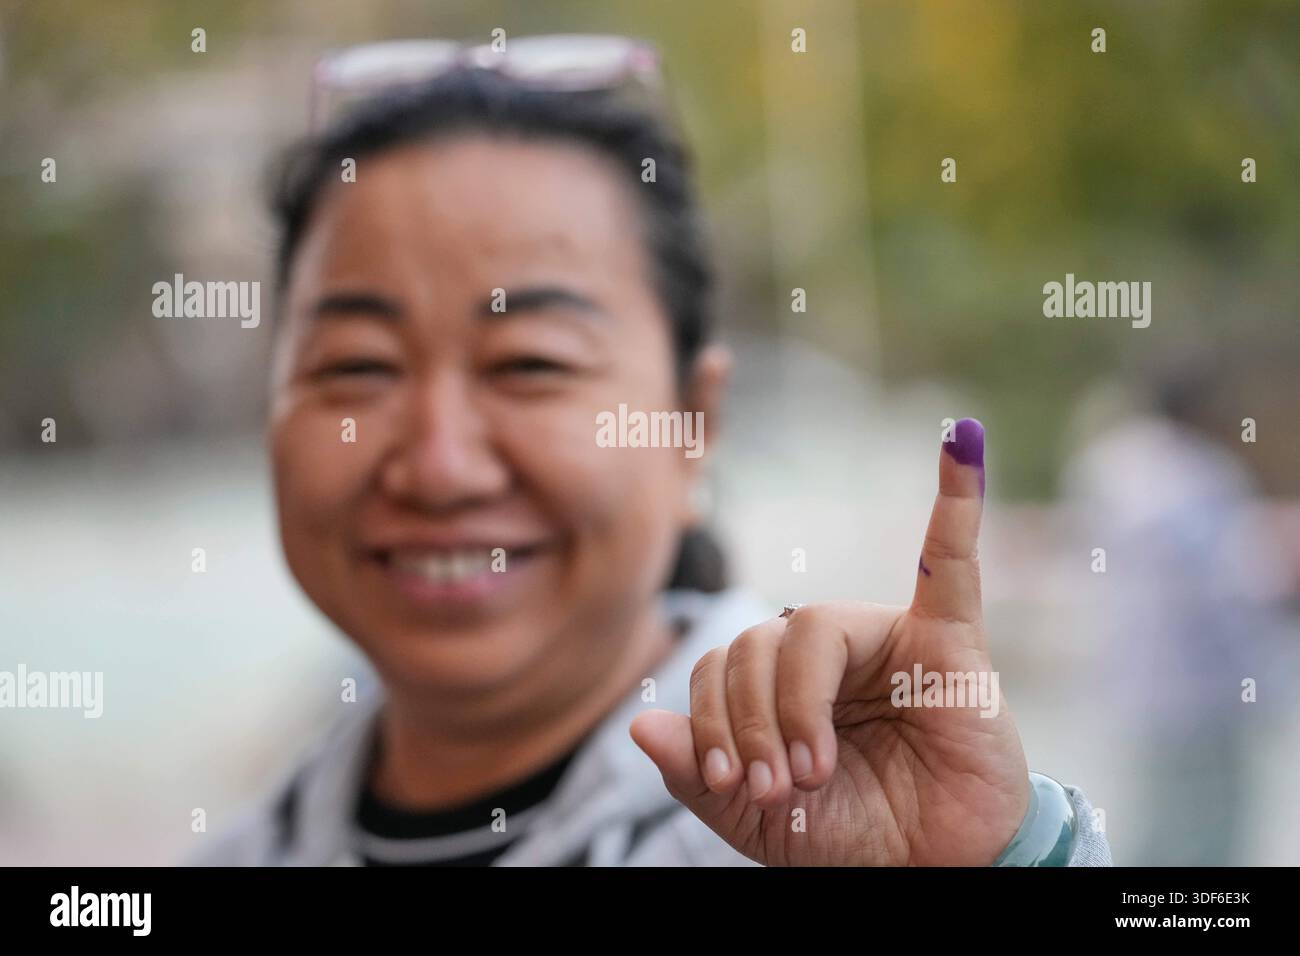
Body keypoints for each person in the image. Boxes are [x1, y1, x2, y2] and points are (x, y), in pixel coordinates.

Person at [191, 38, 1110, 866]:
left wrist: (1000, 862)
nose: (438, 464)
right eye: (358, 366)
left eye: (530, 364)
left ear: (693, 425)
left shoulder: (825, 828)